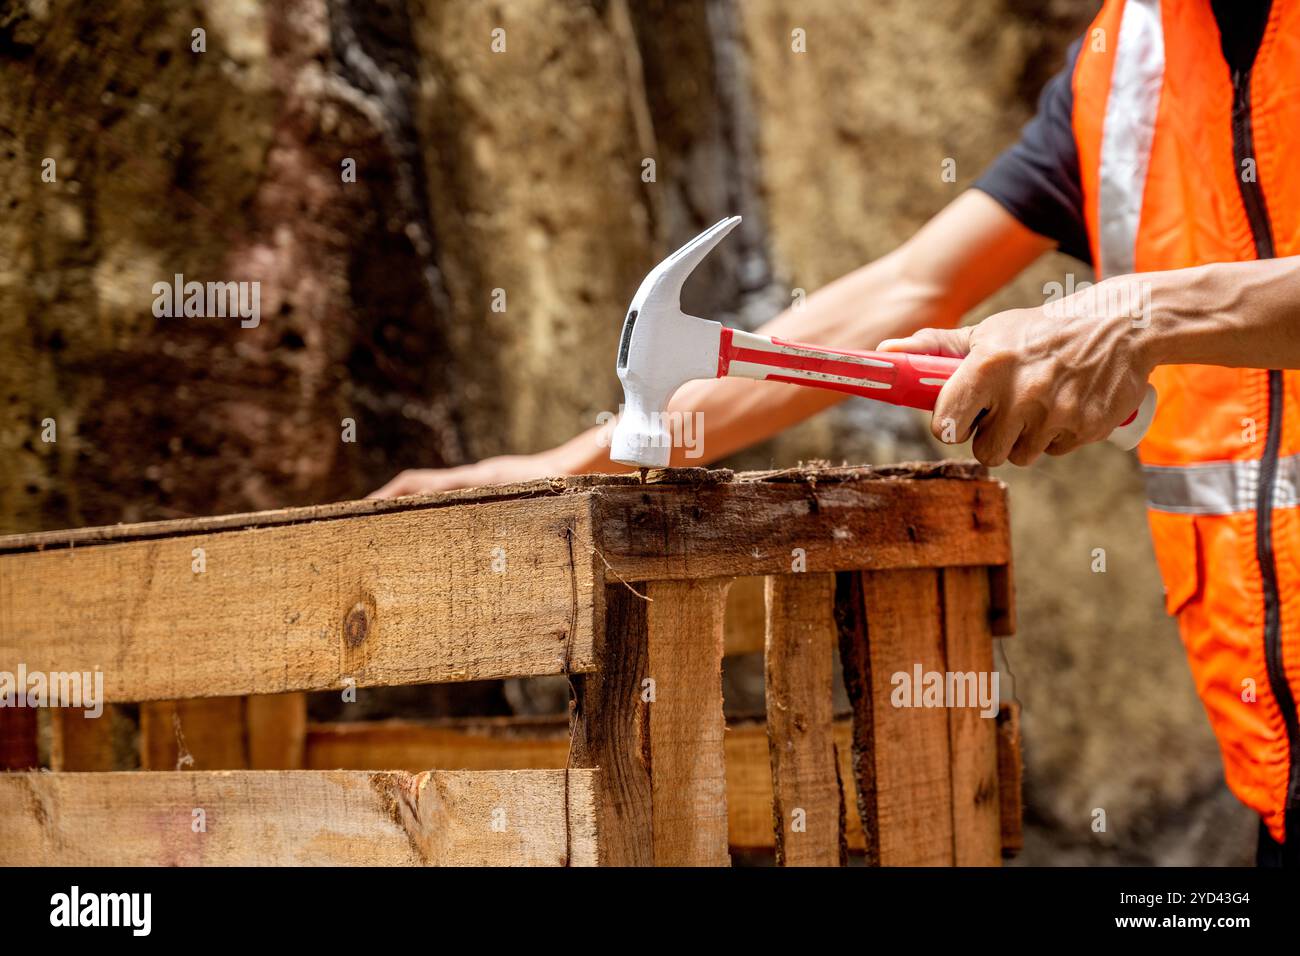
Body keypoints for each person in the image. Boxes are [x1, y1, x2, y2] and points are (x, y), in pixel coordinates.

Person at [374, 0, 1300, 866]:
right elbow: (907, 289)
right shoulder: (1131, 57)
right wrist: (568, 462)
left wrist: (1143, 313)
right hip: (1270, 756)